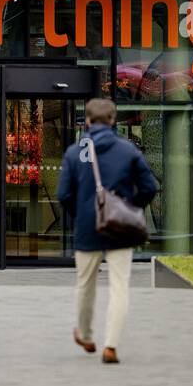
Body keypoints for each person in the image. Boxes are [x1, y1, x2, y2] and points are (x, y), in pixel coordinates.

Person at [57, 98, 158, 364]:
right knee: (119, 287)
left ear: (87, 121)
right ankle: (111, 345)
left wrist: (82, 213)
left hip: (87, 227)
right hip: (120, 227)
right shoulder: (128, 150)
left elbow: (63, 194)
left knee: (85, 284)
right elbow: (149, 187)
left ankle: (87, 335)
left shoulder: (74, 152)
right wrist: (130, 207)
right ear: (113, 121)